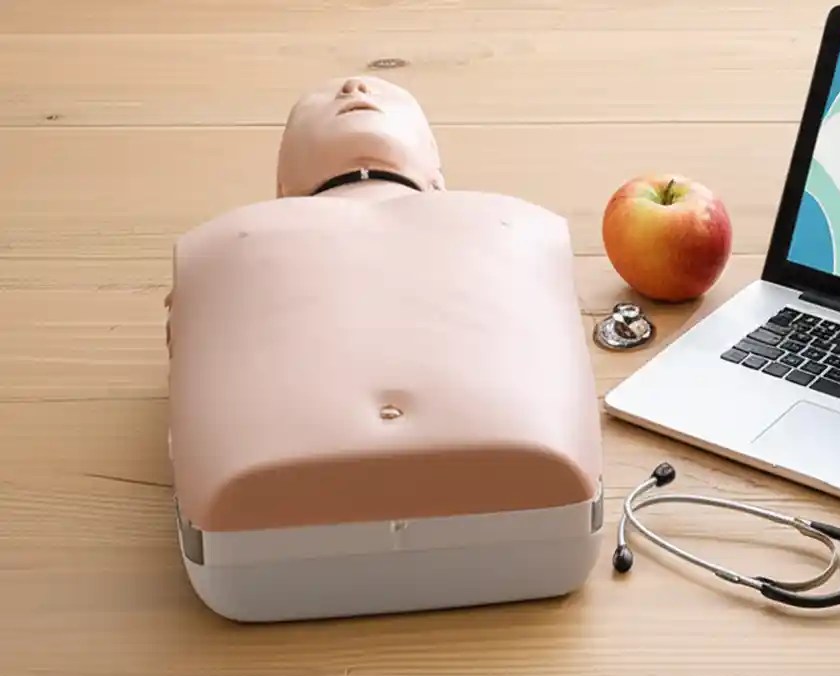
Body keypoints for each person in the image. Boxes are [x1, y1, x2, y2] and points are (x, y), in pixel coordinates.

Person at [165, 76, 601, 535]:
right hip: (245, 481)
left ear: (438, 178)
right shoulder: (220, 247)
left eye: (388, 95)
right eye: (320, 100)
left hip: (255, 494)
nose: (355, 87)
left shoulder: (522, 228)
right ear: (283, 186)